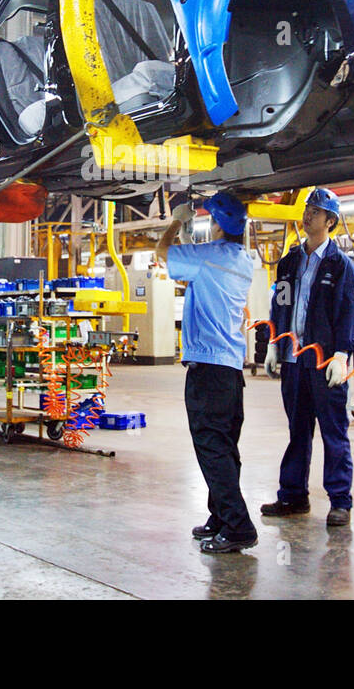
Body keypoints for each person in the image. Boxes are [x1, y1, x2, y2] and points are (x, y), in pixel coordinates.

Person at [155, 191, 258, 554]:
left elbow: (162, 255)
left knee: (211, 448)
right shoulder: (242, 260)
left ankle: (239, 527)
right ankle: (220, 516)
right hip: (231, 371)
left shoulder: (208, 257)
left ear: (215, 224)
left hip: (208, 372)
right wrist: (191, 236)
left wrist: (177, 221)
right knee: (225, 447)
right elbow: (197, 270)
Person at [261, 188, 354, 526]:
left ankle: (340, 501)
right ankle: (293, 496)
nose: (306, 216)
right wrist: (273, 343)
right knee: (297, 430)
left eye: (314, 212)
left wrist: (342, 354)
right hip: (294, 359)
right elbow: (281, 304)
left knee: (333, 431)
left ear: (330, 221)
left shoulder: (340, 265)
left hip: (324, 361)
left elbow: (348, 310)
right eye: (306, 210)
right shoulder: (289, 262)